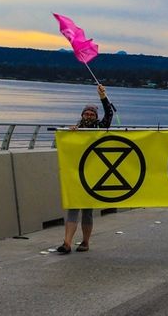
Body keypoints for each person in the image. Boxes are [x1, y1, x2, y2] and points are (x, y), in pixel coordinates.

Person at [57, 84, 113, 255]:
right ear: (81, 115)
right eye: (86, 113)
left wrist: (103, 97)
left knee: (87, 211)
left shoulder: (100, 127)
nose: (89, 116)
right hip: (76, 174)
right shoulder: (75, 129)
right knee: (73, 208)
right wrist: (70, 134)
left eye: (92, 114)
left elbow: (109, 114)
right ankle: (66, 243)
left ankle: (86, 241)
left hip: (92, 174)